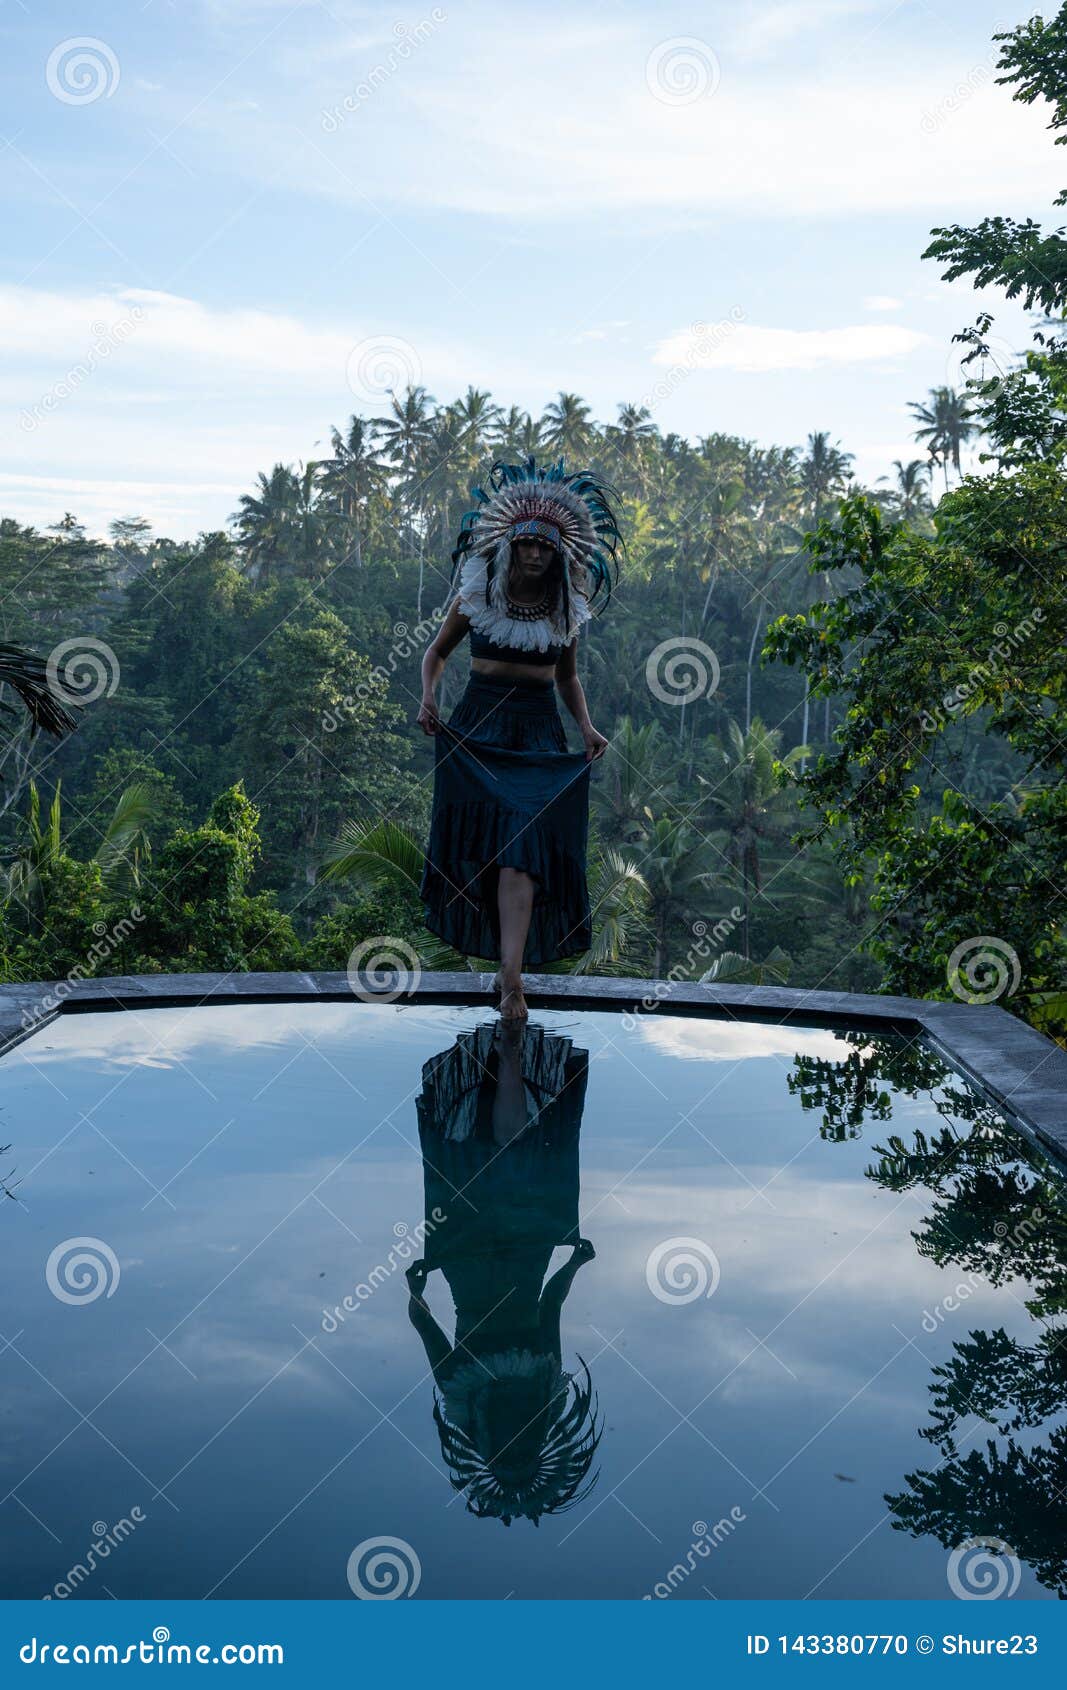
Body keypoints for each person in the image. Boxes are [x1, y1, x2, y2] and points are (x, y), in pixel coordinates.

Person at [417, 457, 623, 1019]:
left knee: (522, 852)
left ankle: (511, 980)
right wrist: (429, 696)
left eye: (545, 547)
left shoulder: (565, 611)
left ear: (558, 554)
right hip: (480, 729)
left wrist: (585, 726)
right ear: (510, 544)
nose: (535, 553)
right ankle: (505, 968)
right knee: (487, 852)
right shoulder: (476, 596)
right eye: (527, 544)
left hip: (537, 736)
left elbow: (567, 676)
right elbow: (437, 653)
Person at [405, 1017, 601, 1527]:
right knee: (503, 1154)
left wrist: (417, 1294)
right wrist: (573, 1262)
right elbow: (551, 1308)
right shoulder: (533, 1380)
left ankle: (496, 1060)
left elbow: (429, 1332)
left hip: (488, 1253)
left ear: (490, 1448)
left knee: (477, 1152)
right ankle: (504, 1059)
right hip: (505, 1250)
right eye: (522, 1455)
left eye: (504, 1455)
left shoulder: (469, 1390)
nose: (512, 1446)